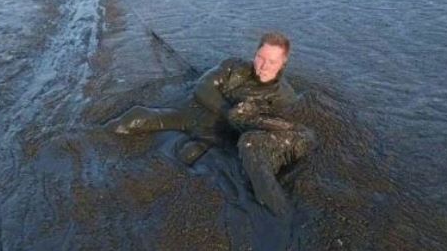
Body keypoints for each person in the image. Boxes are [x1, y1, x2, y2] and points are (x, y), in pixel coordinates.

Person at [106, 32, 315, 215]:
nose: (263, 65)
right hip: (189, 114)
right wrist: (229, 112)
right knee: (135, 118)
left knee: (189, 158)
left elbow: (276, 130)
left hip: (218, 136)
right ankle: (91, 137)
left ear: (283, 64)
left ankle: (278, 214)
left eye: (272, 61)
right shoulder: (233, 67)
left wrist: (242, 122)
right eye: (260, 57)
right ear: (255, 53)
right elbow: (203, 86)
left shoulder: (284, 97)